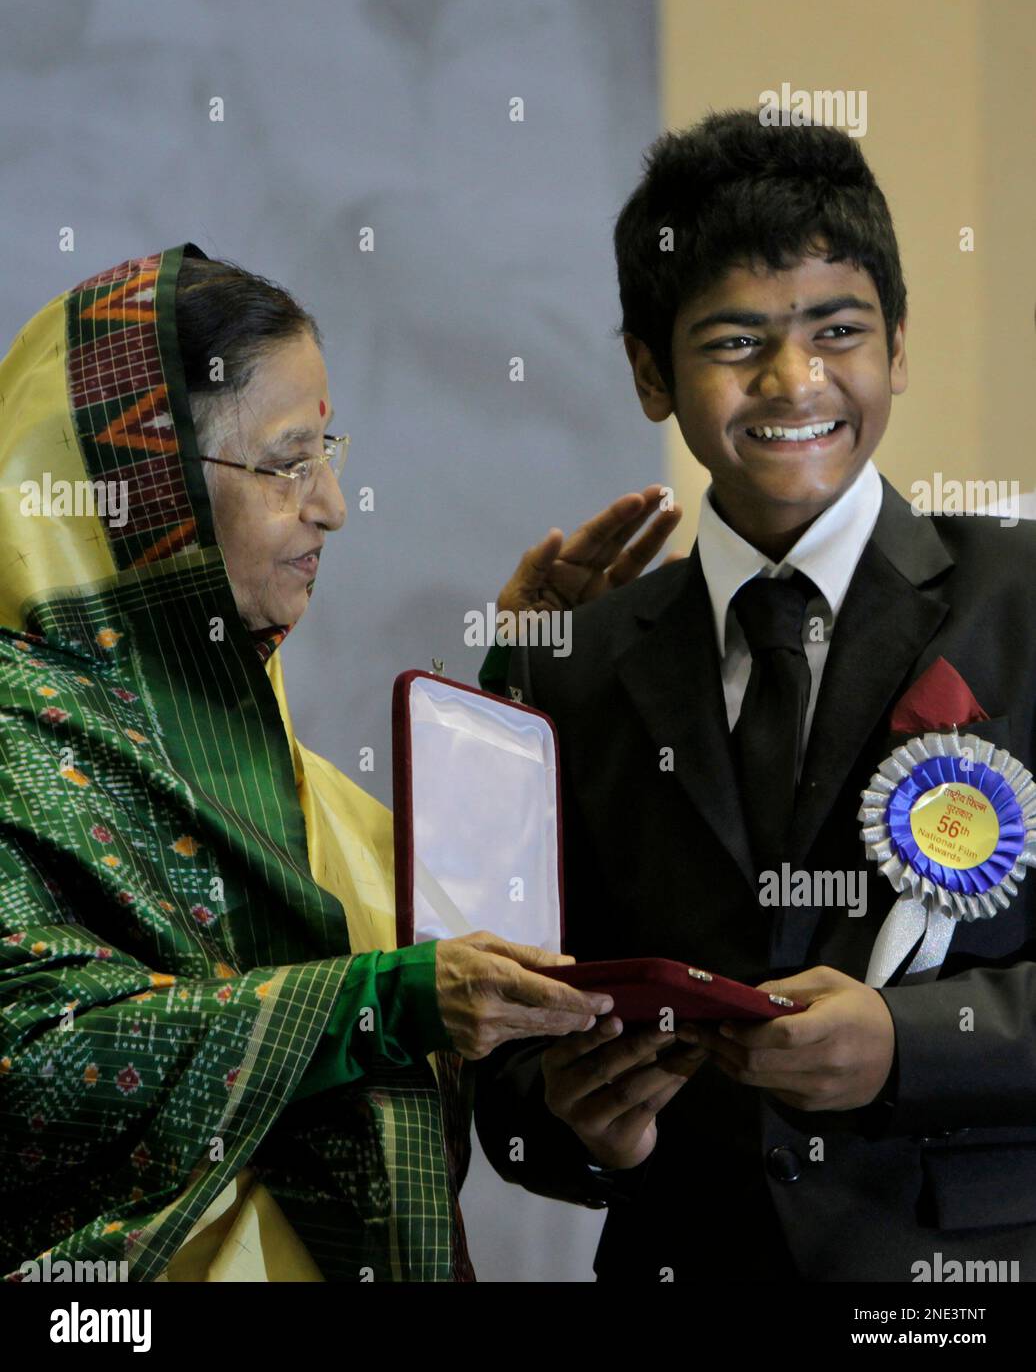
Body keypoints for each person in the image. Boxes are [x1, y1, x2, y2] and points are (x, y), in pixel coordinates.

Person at [0, 244, 677, 1282]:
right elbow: (32, 1069)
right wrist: (383, 1003)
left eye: (330, 452)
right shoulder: (19, 744)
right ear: (145, 492)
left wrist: (514, 695)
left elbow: (436, 969)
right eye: (284, 463)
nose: (331, 505)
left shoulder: (282, 777)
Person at [475, 110, 1036, 1282]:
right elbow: (502, 1072)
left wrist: (905, 1043)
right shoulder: (559, 670)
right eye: (735, 341)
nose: (795, 381)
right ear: (647, 371)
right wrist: (581, 1127)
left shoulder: (1020, 600)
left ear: (896, 344)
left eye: (838, 331)